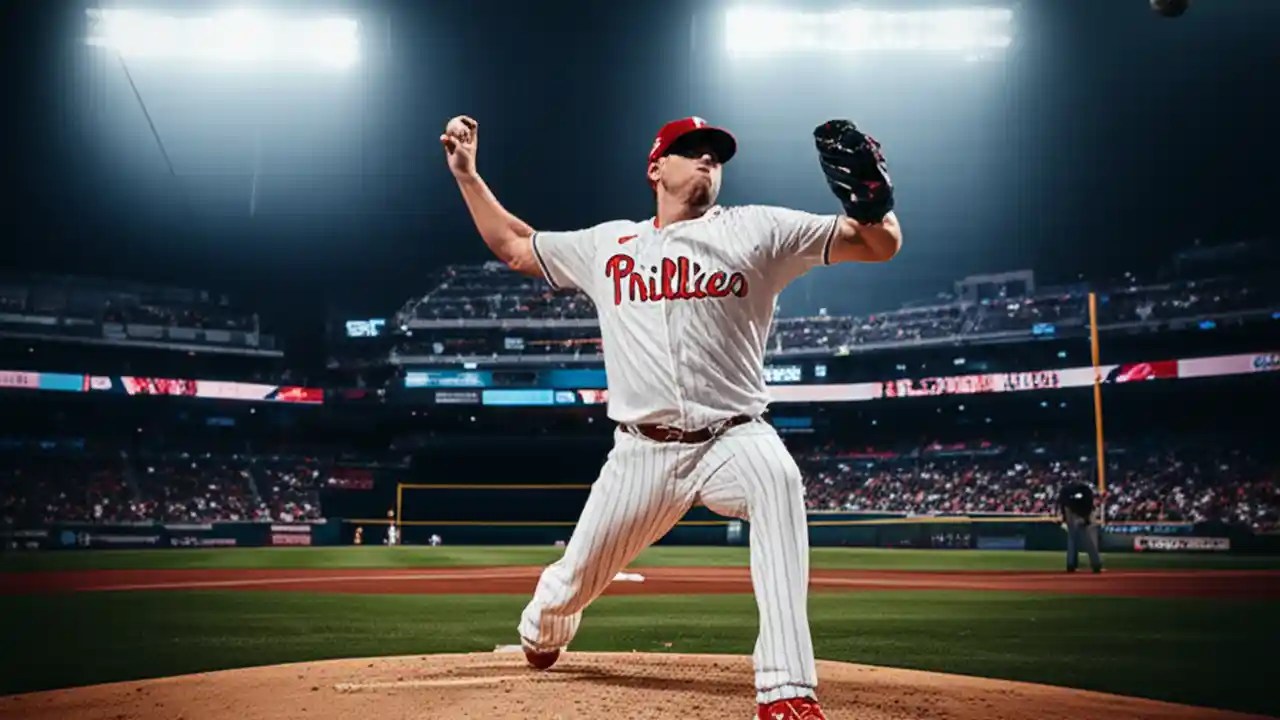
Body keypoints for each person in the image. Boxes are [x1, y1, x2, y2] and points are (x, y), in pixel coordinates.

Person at [441, 114, 902, 720]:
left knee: (779, 482)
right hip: (642, 453)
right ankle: (544, 626)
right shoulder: (608, 244)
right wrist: (468, 176)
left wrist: (873, 201)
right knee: (570, 584)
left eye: (715, 152)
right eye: (691, 150)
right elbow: (514, 245)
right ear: (656, 169)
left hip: (734, 437)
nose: (708, 159)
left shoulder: (757, 229)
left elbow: (878, 243)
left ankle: (787, 687)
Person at [1059, 480, 1103, 573]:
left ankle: (1072, 565)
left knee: (1073, 541)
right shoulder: (1084, 490)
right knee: (1087, 541)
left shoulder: (1068, 490)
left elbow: (1064, 505)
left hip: (1076, 514)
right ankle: (1095, 564)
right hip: (1077, 514)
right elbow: (1089, 504)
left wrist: (1085, 518)